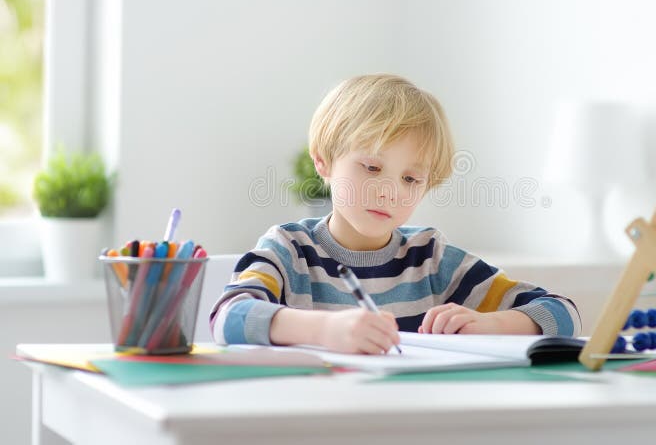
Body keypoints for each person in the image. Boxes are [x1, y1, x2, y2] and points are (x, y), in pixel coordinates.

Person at [210, 74, 580, 354]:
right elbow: (228, 317)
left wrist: (491, 322)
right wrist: (325, 331)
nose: (389, 191)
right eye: (371, 167)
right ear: (323, 161)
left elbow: (565, 314)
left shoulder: (431, 258)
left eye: (410, 178)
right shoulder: (288, 250)